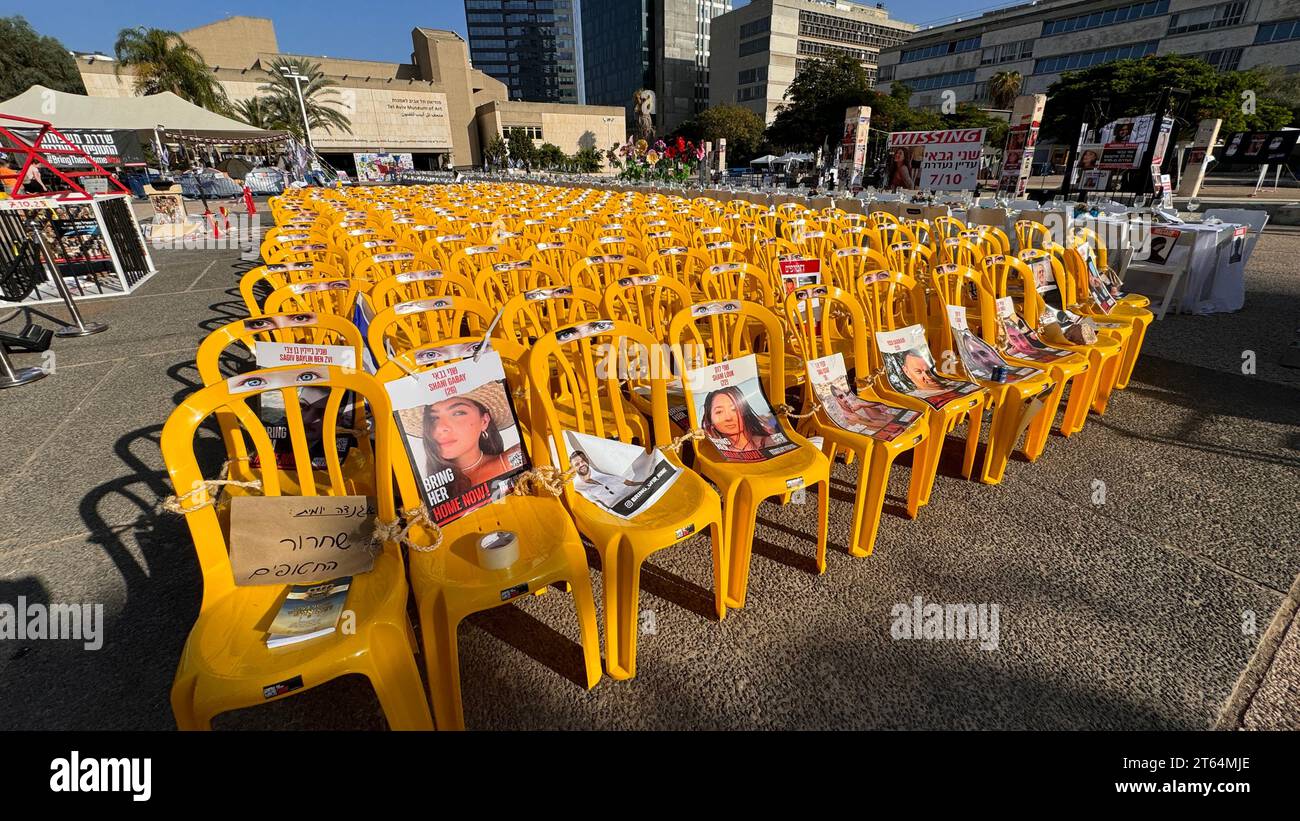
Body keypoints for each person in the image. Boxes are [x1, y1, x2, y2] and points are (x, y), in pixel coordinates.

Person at [420, 383, 521, 497]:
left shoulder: (512, 461)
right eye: (433, 418)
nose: (439, 428)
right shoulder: (421, 491)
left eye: (458, 413)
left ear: (484, 421)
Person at [702, 385, 778, 452]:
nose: (728, 418)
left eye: (734, 409)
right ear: (710, 420)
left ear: (744, 411)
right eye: (719, 412)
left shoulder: (768, 441)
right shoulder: (711, 452)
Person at [570, 450, 638, 509]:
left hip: (634, 499)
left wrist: (645, 483)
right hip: (618, 511)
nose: (581, 464)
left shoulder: (605, 473)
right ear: (573, 468)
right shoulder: (580, 489)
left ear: (587, 460)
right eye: (577, 464)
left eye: (583, 460)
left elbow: (631, 483)